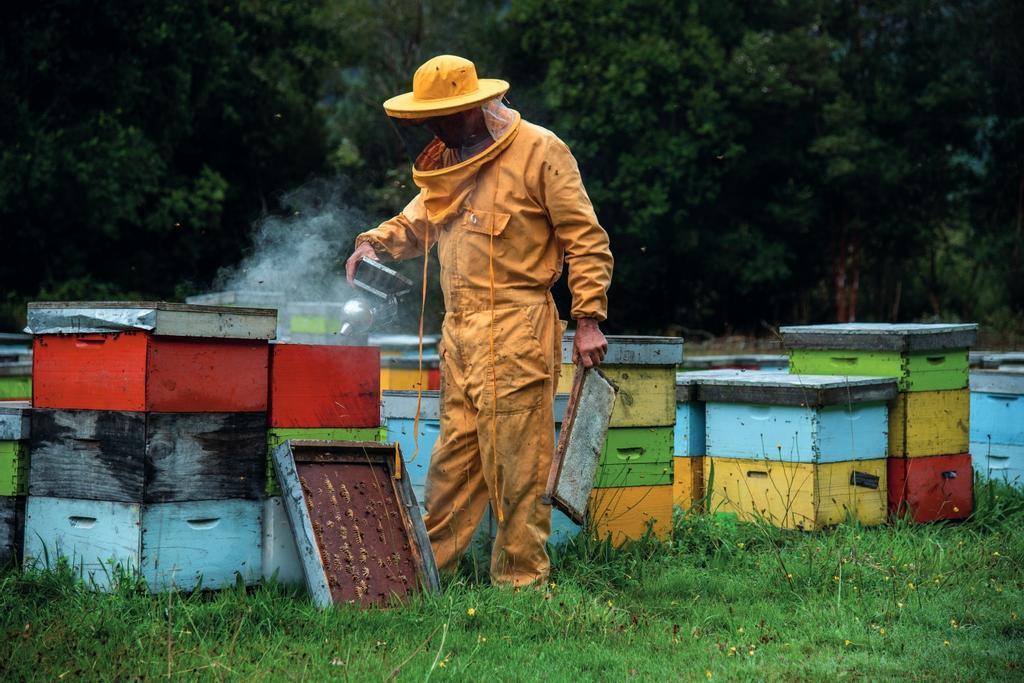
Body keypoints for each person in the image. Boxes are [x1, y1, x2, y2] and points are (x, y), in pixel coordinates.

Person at [345, 54, 613, 587]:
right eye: (429, 119)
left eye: (444, 116)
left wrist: (589, 319)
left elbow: (587, 241)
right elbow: (417, 219)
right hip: (460, 334)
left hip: (517, 327)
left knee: (517, 468)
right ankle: (423, 578)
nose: (436, 128)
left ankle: (522, 583)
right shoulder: (449, 162)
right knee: (451, 467)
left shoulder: (541, 151)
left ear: (474, 107)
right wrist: (374, 243)